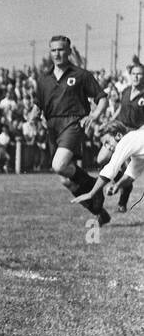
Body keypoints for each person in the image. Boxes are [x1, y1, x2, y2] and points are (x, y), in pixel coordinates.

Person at [32, 34, 110, 224]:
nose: (57, 53)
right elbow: (38, 105)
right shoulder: (43, 80)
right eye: (53, 50)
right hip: (52, 127)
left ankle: (93, 184)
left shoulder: (81, 75)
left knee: (59, 165)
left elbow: (102, 98)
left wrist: (94, 115)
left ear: (68, 51)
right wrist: (32, 115)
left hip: (73, 124)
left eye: (60, 49)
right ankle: (98, 211)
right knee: (66, 179)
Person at [93, 61, 144, 211]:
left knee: (129, 171)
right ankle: (120, 181)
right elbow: (121, 108)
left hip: (133, 136)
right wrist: (109, 122)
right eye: (134, 74)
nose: (136, 77)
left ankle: (123, 199)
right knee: (101, 158)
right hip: (119, 131)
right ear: (130, 75)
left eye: (139, 74)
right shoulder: (126, 91)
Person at [72, 122, 144, 213]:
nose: (108, 147)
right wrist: (117, 185)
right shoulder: (137, 145)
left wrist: (91, 194)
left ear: (118, 135)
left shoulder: (127, 140)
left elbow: (111, 168)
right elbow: (130, 175)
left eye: (107, 142)